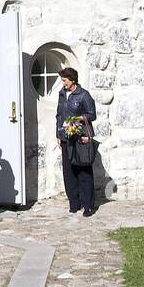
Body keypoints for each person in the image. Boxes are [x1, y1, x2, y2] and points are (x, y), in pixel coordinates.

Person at [55, 66, 98, 216]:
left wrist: (78, 118)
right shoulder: (62, 94)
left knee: (83, 171)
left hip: (79, 138)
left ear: (72, 80)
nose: (63, 83)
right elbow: (59, 116)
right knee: (69, 172)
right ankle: (74, 202)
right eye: (62, 80)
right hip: (66, 138)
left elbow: (92, 114)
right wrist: (58, 135)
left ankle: (88, 205)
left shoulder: (83, 95)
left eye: (65, 80)